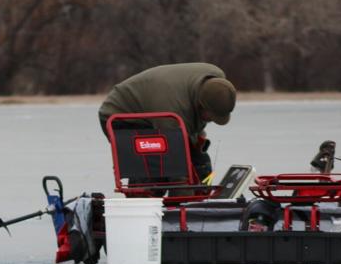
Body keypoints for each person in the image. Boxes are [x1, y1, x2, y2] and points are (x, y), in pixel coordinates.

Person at [97, 62, 237, 181]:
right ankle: (145, 198)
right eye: (211, 116)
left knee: (201, 164)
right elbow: (175, 161)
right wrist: (184, 197)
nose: (211, 121)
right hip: (122, 116)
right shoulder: (172, 111)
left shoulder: (218, 83)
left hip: (161, 112)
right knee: (158, 169)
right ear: (200, 104)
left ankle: (204, 194)